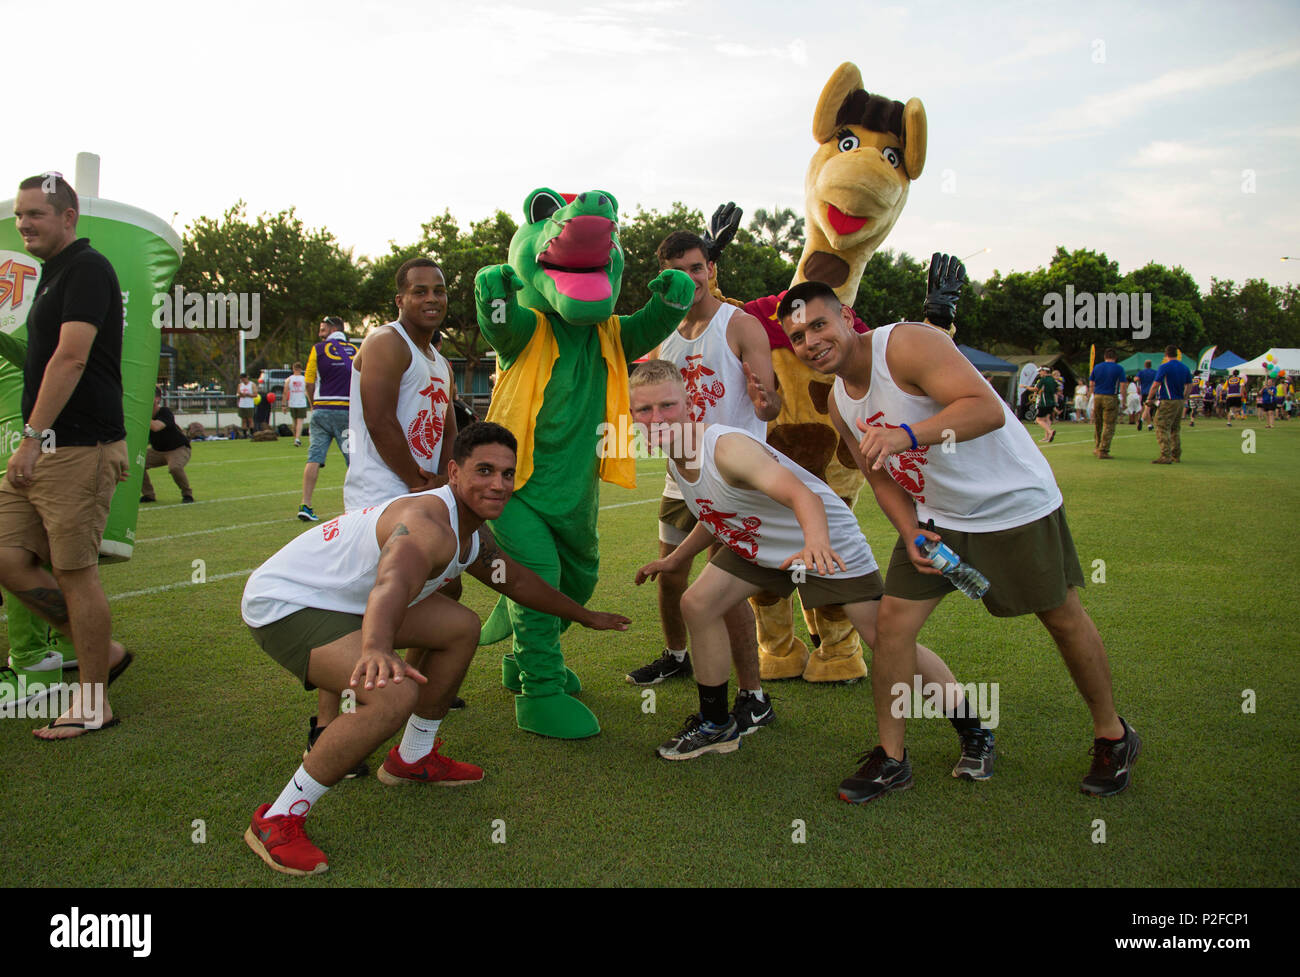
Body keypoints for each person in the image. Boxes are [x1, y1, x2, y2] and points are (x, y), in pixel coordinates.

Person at [777, 281, 1138, 801]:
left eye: (817, 325)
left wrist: (907, 433)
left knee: (1060, 616)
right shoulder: (838, 402)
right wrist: (911, 532)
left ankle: (1113, 735)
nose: (810, 341)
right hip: (938, 517)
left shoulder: (904, 345)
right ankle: (892, 758)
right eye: (797, 336)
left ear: (846, 317)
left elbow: (985, 410)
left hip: (1010, 502)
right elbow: (880, 476)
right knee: (892, 629)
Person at [241, 423, 629, 875]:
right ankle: (278, 818)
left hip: (343, 601)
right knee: (393, 694)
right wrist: (376, 648)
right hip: (287, 604)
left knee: (460, 626)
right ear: (454, 472)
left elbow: (514, 580)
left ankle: (411, 757)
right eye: (484, 470)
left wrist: (586, 616)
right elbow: (392, 583)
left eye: (507, 474)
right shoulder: (428, 525)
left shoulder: (472, 532)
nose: (498, 484)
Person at [628, 360, 987, 770]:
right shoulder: (677, 456)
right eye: (644, 410)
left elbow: (805, 498)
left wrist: (816, 544)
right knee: (698, 603)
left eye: (667, 406)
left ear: (690, 404)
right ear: (632, 414)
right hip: (763, 542)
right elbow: (717, 513)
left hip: (825, 539)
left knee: (887, 641)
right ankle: (716, 724)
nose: (657, 418)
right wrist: (675, 559)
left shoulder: (725, 448)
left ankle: (973, 729)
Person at [624, 232, 782, 734]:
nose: (689, 279)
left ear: (711, 269)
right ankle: (676, 655)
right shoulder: (664, 333)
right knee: (672, 577)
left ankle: (754, 697)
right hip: (682, 478)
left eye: (697, 268)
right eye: (677, 272)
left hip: (731, 479)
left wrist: (765, 403)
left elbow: (771, 403)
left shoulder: (740, 324)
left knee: (722, 594)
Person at [312, 259, 463, 768]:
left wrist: (448, 477)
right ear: (399, 299)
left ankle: (411, 690)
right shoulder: (385, 341)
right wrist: (419, 480)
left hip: (421, 495)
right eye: (419, 291)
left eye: (439, 290)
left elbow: (444, 427)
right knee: (361, 606)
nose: (431, 298)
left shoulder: (437, 358)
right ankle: (328, 724)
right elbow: (378, 417)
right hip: (381, 495)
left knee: (446, 588)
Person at [0, 173, 133, 738]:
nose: (25, 223)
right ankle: (103, 649)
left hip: (76, 447)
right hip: (48, 446)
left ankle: (94, 700)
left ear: (69, 216)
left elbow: (71, 359)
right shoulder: (54, 274)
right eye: (21, 215)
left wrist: (30, 438)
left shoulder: (86, 269)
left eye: (38, 214)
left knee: (75, 574)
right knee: (6, 554)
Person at [299, 317, 356, 522]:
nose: (320, 330)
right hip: (347, 413)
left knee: (314, 457)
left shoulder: (318, 349)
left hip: (321, 410)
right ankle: (356, 505)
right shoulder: (355, 351)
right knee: (354, 461)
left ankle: (306, 504)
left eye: (323, 327)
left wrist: (314, 404)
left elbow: (309, 381)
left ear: (333, 328)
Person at [140, 386, 194, 503]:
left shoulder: (165, 412)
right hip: (157, 451)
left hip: (178, 448)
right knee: (137, 464)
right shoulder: (144, 416)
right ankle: (148, 495)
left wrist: (140, 415)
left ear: (158, 399)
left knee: (175, 468)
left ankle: (187, 494)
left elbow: (156, 427)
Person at [1148, 346, 1192, 464]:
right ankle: (1176, 454)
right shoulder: (1184, 367)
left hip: (1168, 400)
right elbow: (1189, 385)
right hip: (1179, 401)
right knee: (1175, 428)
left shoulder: (1164, 367)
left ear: (1166, 355)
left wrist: (1149, 398)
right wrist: (1184, 397)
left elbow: (1156, 384)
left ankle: (1165, 455)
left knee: (1161, 426)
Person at [1088, 348, 1125, 459]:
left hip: (1097, 396)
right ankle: (1103, 450)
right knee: (1108, 424)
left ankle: (1097, 446)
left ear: (1105, 357)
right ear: (1115, 357)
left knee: (1098, 423)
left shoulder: (1097, 367)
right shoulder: (1119, 368)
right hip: (1110, 397)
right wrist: (1124, 400)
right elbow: (1123, 385)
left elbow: (1091, 383)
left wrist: (1091, 396)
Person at [282, 362, 309, 446]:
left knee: (294, 422)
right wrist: (312, 404)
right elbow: (307, 392)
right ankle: (297, 439)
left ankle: (296, 438)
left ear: (293, 369)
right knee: (300, 422)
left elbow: (285, 392)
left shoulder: (289, 379)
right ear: (301, 369)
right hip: (301, 403)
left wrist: (284, 405)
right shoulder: (304, 379)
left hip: (292, 403)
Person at [1032, 367, 1057, 443]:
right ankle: (1047, 437)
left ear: (1044, 371)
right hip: (1051, 402)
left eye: (1040, 371)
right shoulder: (1053, 380)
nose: (1039, 373)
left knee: (1038, 419)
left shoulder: (1043, 380)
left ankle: (1050, 431)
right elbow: (1056, 390)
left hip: (1044, 402)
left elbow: (1036, 389)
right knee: (1047, 419)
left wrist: (1025, 386)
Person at [1136, 360, 1156, 431]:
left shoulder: (1141, 372)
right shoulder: (1154, 372)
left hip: (1143, 392)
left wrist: (1140, 381)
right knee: (1147, 409)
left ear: (1145, 365)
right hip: (1151, 392)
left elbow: (1136, 379)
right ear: (1151, 365)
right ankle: (1141, 420)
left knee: (1146, 408)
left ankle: (1149, 425)